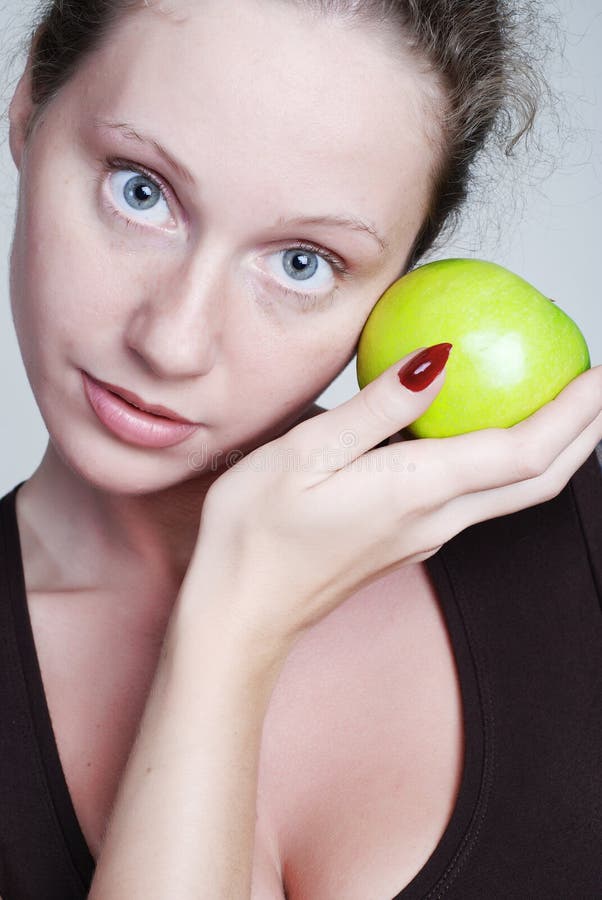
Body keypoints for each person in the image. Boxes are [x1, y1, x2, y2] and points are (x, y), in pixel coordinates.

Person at [0, 0, 600, 897]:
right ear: (27, 107)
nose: (171, 342)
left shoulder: (567, 550)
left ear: (402, 278)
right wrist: (229, 635)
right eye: (140, 189)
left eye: (301, 262)